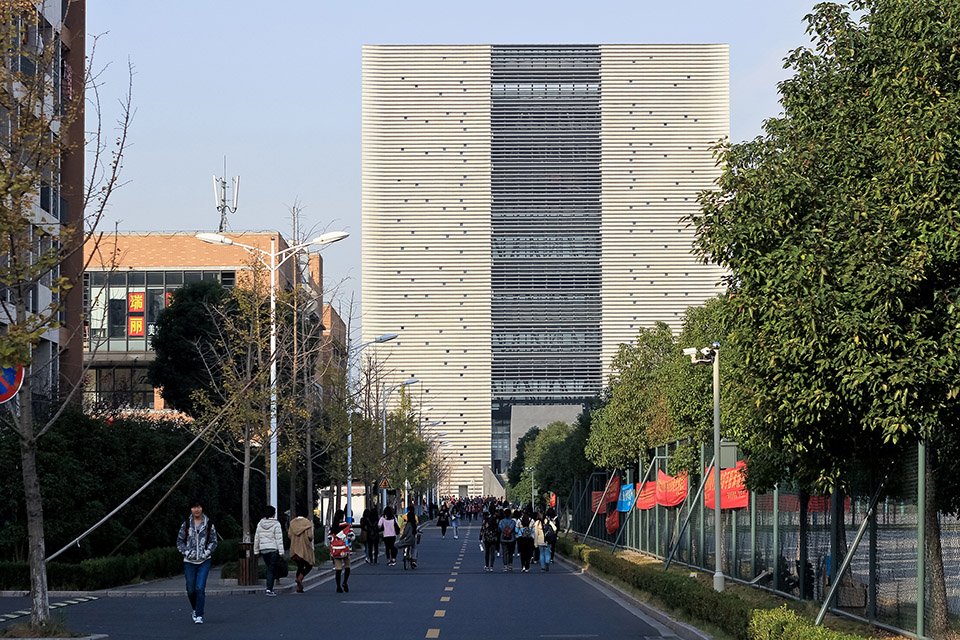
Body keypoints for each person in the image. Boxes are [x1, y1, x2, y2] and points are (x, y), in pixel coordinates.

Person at [177, 499, 218, 624]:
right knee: (191, 589)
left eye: (199, 507)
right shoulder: (186, 524)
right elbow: (179, 541)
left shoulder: (209, 524)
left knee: (200, 588)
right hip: (189, 561)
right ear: (191, 509)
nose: (196, 510)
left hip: (204, 560)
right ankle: (195, 609)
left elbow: (214, 541)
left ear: (202, 508)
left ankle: (199, 614)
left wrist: (207, 552)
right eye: (194, 507)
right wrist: (186, 552)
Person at [253, 505, 284, 596]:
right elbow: (279, 539)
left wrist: (256, 550)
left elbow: (257, 538)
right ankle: (269, 589)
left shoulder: (260, 523)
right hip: (273, 549)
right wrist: (281, 552)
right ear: (273, 514)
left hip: (264, 550)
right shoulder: (276, 524)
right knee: (271, 569)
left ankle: (270, 587)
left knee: (270, 568)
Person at [327, 509, 356, 592]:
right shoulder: (347, 525)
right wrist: (346, 539)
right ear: (343, 517)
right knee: (347, 565)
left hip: (336, 549)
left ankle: (338, 587)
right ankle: (345, 582)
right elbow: (352, 536)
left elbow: (329, 537)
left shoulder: (333, 527)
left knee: (338, 568)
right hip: (345, 549)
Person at [287, 513, 315, 592]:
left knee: (300, 566)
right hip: (304, 548)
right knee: (309, 565)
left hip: (295, 548)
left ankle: (298, 586)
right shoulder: (307, 523)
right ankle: (300, 578)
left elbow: (289, 535)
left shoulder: (292, 523)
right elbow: (310, 536)